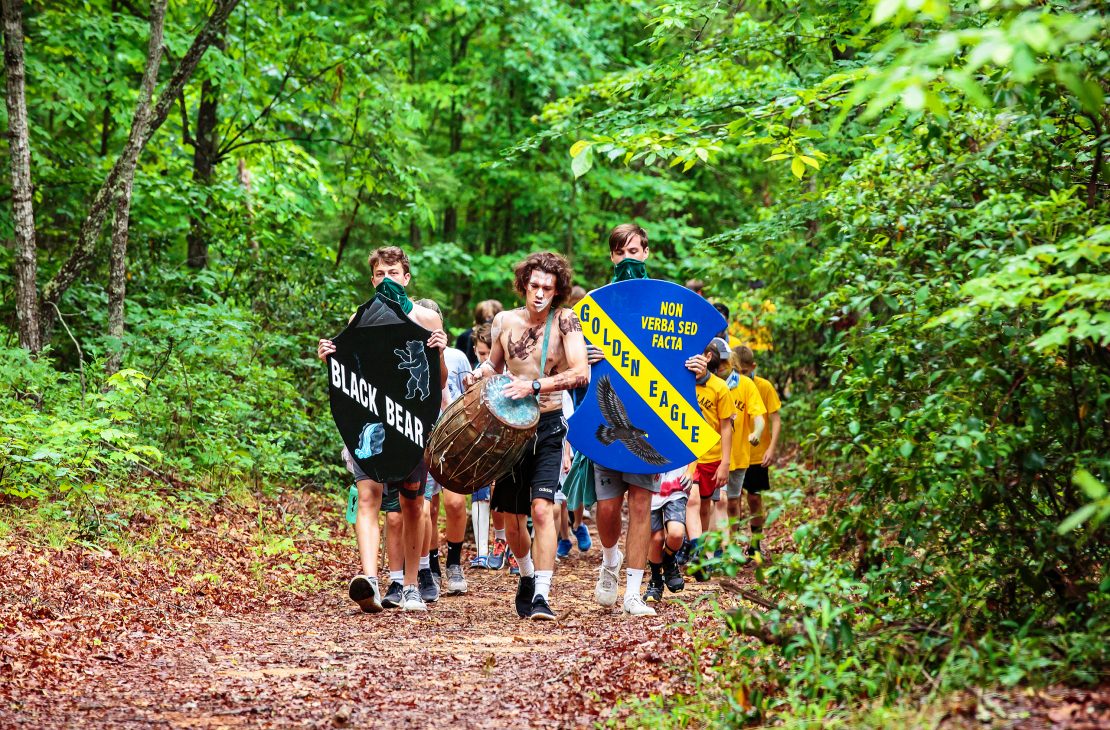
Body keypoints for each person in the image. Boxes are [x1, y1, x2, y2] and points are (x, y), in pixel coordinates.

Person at [318, 246, 448, 613]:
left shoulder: (426, 319)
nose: (386, 279)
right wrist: (330, 356)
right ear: (372, 279)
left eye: (393, 273)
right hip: (370, 419)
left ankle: (409, 585)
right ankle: (370, 581)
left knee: (411, 503)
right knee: (368, 495)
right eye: (380, 274)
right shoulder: (360, 316)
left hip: (412, 424)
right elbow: (349, 369)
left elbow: (438, 384)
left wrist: (438, 352)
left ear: (406, 278)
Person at [588, 224, 707, 617]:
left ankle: (634, 593)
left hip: (653, 426)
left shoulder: (666, 304)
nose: (629, 258)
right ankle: (610, 560)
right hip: (606, 423)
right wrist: (584, 356)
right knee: (607, 511)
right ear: (612, 257)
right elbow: (571, 360)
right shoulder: (594, 304)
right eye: (621, 252)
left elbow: (685, 353)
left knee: (641, 506)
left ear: (647, 253)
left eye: (635, 250)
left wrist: (699, 367)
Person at [465, 251, 590, 620]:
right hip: (509, 430)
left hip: (549, 425)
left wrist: (534, 384)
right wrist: (478, 373)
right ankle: (525, 573)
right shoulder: (503, 320)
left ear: (557, 291)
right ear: (524, 284)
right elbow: (495, 364)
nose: (539, 293)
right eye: (534, 285)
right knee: (512, 516)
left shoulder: (566, 321)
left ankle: (542, 595)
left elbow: (580, 371)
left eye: (547, 288)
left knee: (542, 508)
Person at [416, 298, 472, 595]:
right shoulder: (409, 353)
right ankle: (431, 565)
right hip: (420, 435)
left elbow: (467, 396)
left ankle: (454, 561)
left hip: (451, 435)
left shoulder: (456, 357)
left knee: (454, 502)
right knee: (427, 508)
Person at [686, 343, 735, 579]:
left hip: (712, 456)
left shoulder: (719, 387)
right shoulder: (679, 380)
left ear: (706, 358)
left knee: (706, 505)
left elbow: (727, 426)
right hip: (687, 456)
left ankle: (702, 552)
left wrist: (725, 462)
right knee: (692, 500)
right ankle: (695, 550)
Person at [733, 346, 782, 562]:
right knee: (733, 501)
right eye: (738, 371)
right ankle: (730, 545)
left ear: (753, 367)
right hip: (735, 453)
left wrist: (771, 448)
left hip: (757, 454)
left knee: (754, 498)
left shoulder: (764, 386)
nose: (742, 376)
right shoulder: (730, 386)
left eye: (745, 372)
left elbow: (775, 418)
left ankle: (755, 544)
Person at [725, 348, 766, 553]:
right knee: (712, 503)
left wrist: (756, 432)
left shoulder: (747, 385)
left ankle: (732, 545)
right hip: (710, 456)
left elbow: (759, 415)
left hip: (739, 456)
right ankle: (712, 551)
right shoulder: (708, 383)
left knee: (733, 503)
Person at [643, 468, 691, 602]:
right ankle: (656, 580)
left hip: (676, 485)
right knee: (656, 538)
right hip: (647, 484)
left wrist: (690, 471)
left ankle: (669, 561)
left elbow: (696, 448)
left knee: (676, 533)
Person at [455, 299, 503, 367]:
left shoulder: (502, 335)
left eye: (490, 317)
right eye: (485, 317)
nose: (488, 321)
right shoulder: (467, 336)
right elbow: (467, 362)